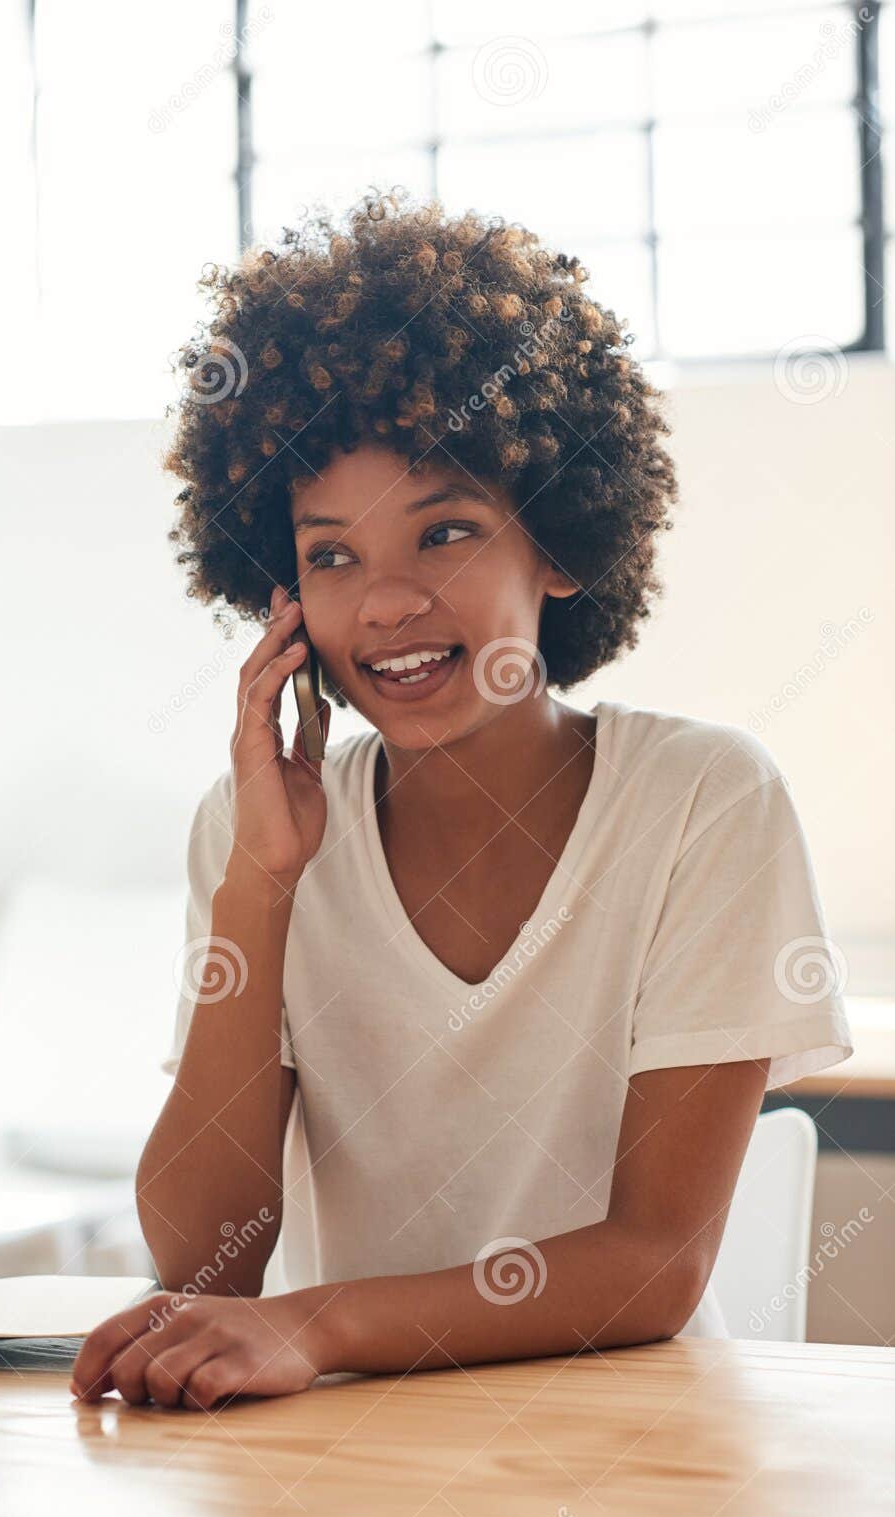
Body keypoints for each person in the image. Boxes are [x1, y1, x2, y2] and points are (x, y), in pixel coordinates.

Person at [71, 190, 852, 1412]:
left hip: (626, 1454)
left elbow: (655, 1260)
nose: (383, 604)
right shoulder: (251, 832)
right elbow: (201, 1254)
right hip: (337, 1465)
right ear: (279, 596)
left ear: (561, 542)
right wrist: (261, 885)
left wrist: (318, 1324)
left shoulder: (704, 800)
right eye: (331, 555)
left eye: (444, 533)